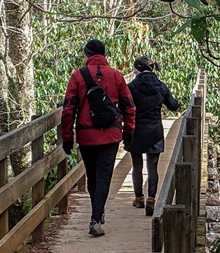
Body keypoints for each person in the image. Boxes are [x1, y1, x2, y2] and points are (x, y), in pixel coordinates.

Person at [61, 39, 136, 237]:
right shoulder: (116, 76)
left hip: (86, 135)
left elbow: (68, 109)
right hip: (110, 135)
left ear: (87, 55)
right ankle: (96, 217)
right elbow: (129, 106)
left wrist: (67, 138)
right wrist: (128, 132)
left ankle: (97, 212)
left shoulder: (78, 76)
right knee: (104, 176)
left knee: (92, 176)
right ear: (104, 56)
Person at [126, 56, 181, 216]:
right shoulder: (160, 86)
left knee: (136, 166)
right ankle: (151, 198)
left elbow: (124, 106)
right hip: (154, 130)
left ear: (137, 69)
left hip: (136, 129)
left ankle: (138, 198)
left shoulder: (131, 86)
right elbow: (173, 106)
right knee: (152, 167)